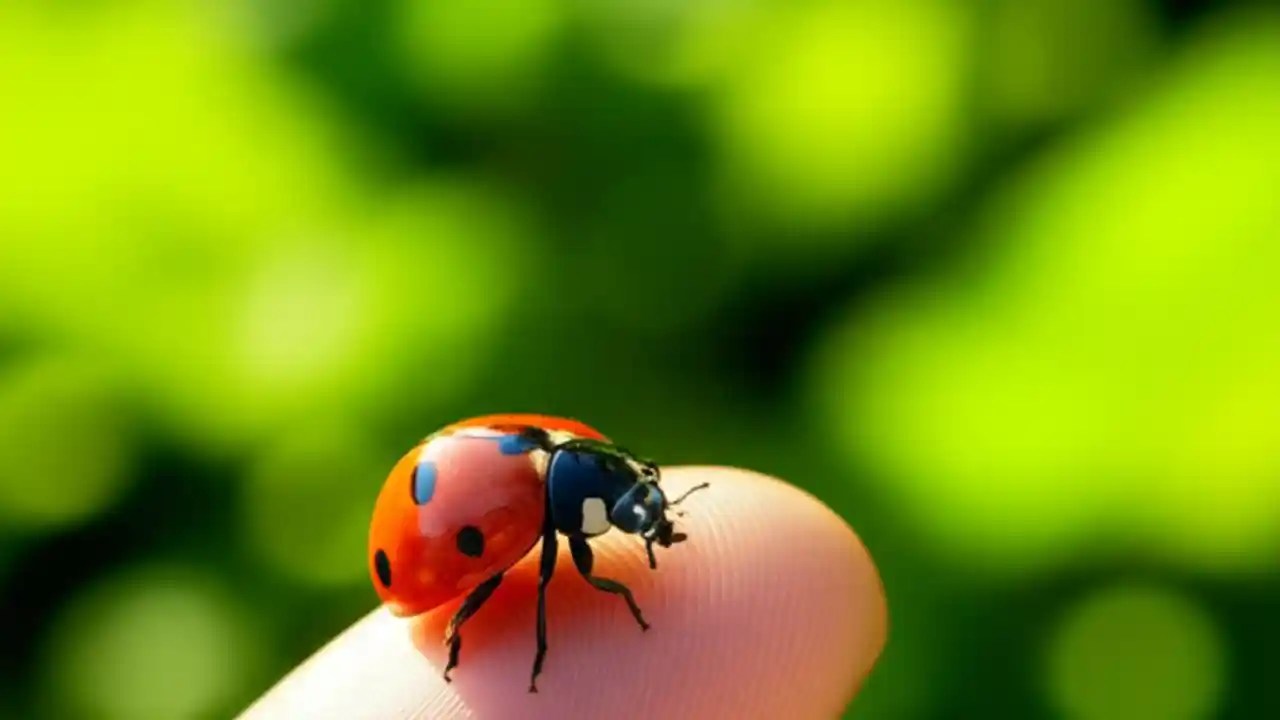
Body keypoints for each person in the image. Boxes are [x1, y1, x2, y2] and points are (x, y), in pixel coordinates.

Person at [239, 467, 887, 719]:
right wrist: (618, 601)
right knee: (544, 577)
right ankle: (471, 635)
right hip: (444, 525)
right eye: (636, 513)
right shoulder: (532, 502)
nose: (643, 524)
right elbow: (560, 575)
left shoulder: (570, 474)